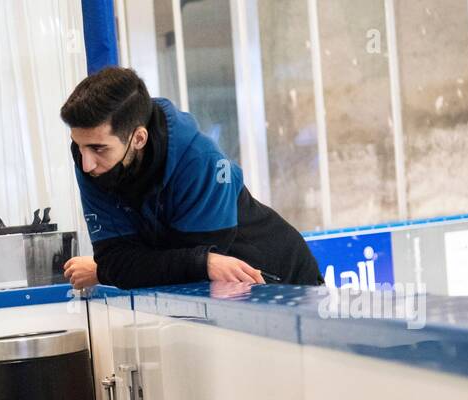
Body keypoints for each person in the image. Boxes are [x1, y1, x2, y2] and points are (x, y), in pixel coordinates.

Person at [59, 66, 323, 290]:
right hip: (222, 285)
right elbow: (117, 262)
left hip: (278, 275)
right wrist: (200, 262)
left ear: (138, 138)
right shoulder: (92, 161)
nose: (85, 164)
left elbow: (184, 276)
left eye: (97, 148)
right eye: (78, 146)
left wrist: (200, 262)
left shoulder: (201, 160)